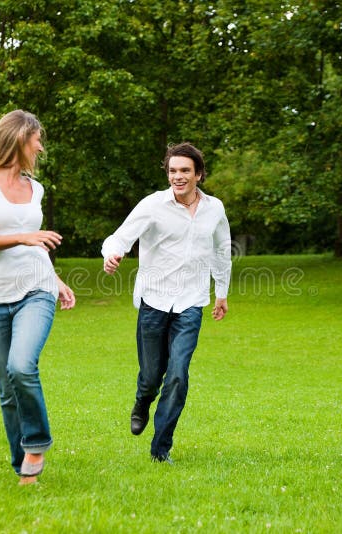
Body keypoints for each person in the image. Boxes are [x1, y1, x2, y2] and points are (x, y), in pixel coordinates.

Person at [0, 110, 76, 485]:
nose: (40, 147)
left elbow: (33, 243)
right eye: (36, 139)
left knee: (22, 366)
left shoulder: (34, 187)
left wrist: (54, 278)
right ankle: (22, 465)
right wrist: (25, 237)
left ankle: (36, 443)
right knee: (6, 386)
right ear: (19, 138)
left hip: (35, 289)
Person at [101, 142, 231, 463]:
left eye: (185, 170)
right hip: (154, 301)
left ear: (198, 174)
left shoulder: (215, 209)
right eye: (173, 170)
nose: (178, 176)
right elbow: (120, 237)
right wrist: (112, 254)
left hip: (191, 303)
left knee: (177, 374)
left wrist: (222, 292)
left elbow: (221, 250)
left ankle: (161, 449)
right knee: (150, 375)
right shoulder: (152, 205)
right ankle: (142, 401)